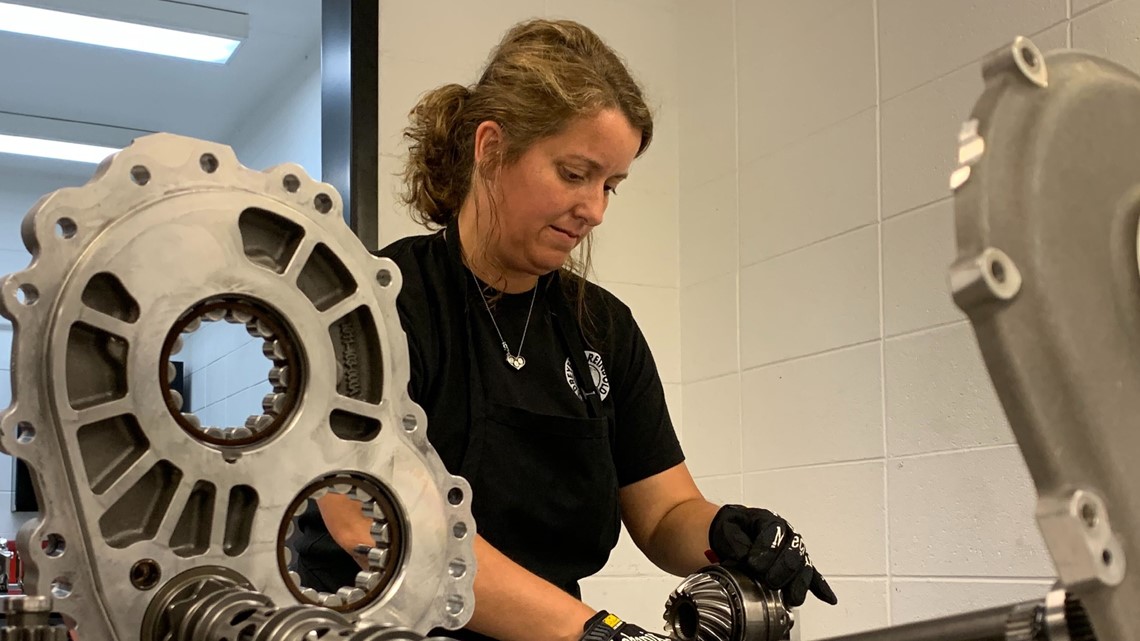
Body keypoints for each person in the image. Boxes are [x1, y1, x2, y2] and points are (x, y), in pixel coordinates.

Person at [292, 18, 837, 641]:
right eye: (575, 174)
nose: (595, 209)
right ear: (492, 147)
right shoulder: (379, 303)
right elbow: (369, 522)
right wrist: (598, 633)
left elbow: (663, 515)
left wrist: (723, 533)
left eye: (611, 185)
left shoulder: (603, 328)